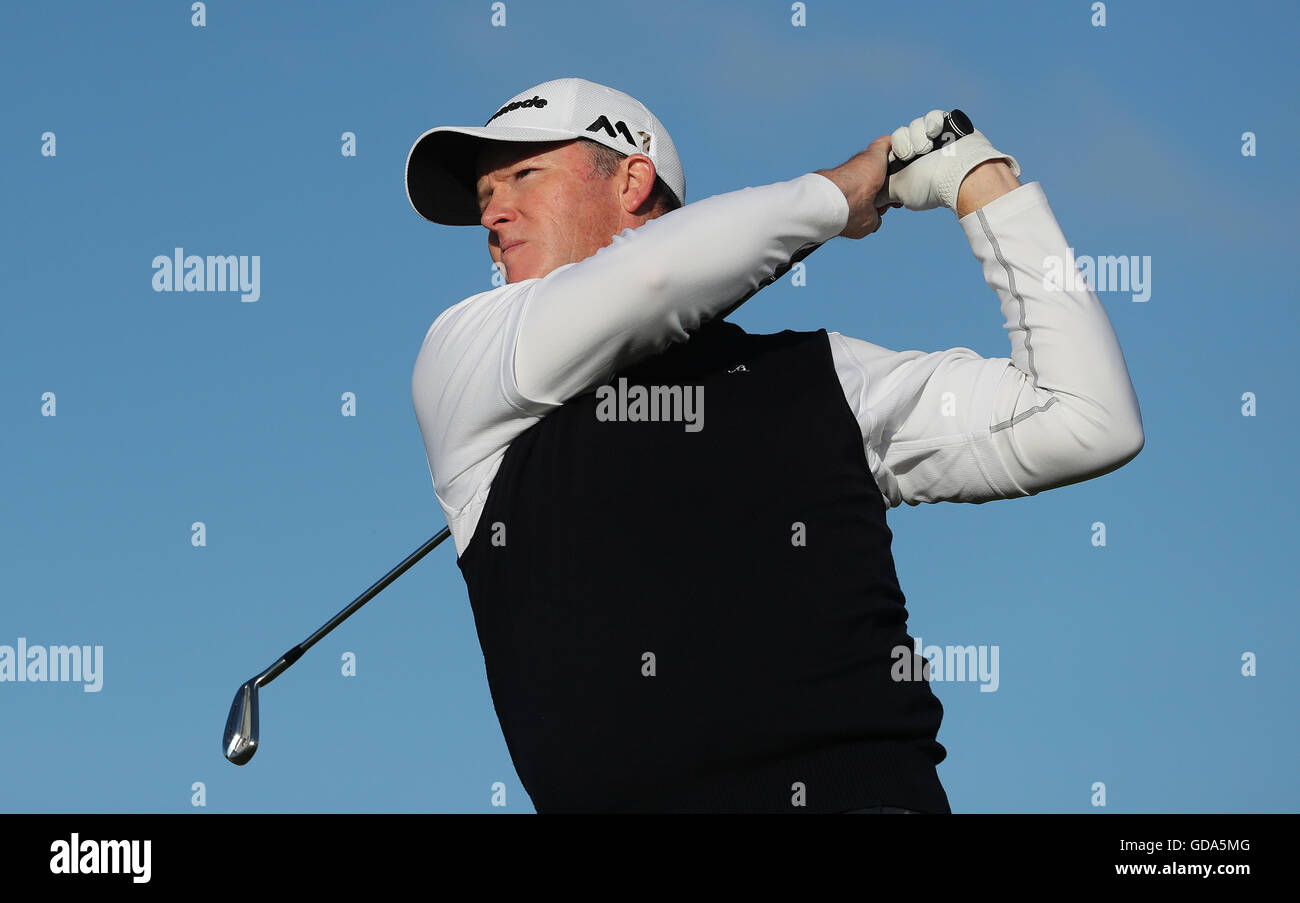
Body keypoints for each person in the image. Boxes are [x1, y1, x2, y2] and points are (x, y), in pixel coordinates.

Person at [406, 77, 1144, 813]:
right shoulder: (464, 361)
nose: (495, 215)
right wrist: (841, 193)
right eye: (483, 199)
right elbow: (656, 275)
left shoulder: (827, 378)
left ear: (632, 180)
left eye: (524, 176)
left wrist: (985, 187)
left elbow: (1088, 418)